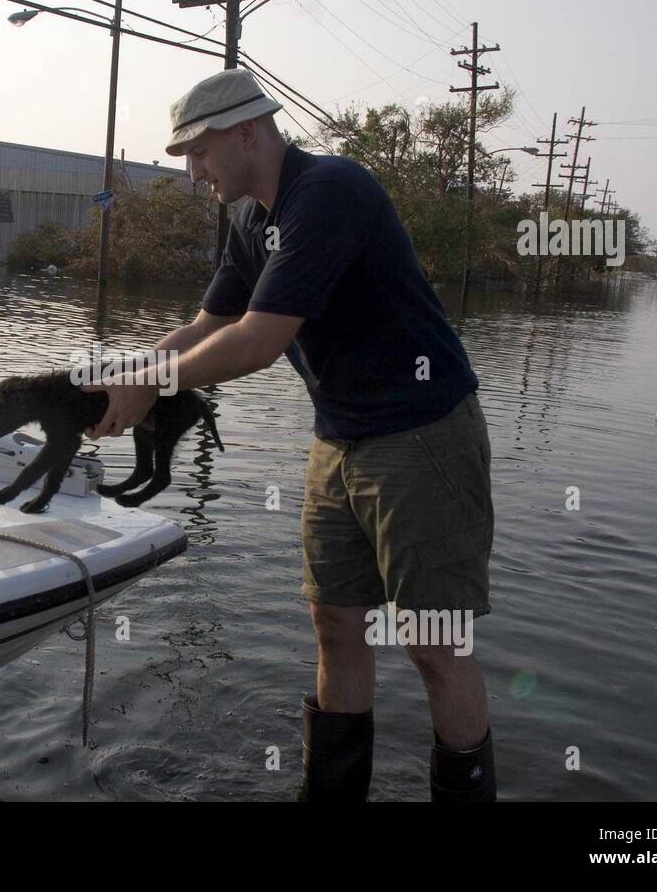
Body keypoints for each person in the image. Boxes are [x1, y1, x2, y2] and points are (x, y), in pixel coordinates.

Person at [85, 69, 496, 802]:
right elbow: (212, 325)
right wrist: (130, 369)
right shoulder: (250, 219)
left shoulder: (331, 192)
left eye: (199, 151)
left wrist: (155, 383)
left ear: (248, 132)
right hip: (338, 440)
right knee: (336, 624)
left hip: (423, 435)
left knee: (434, 644)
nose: (192, 170)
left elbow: (259, 341)